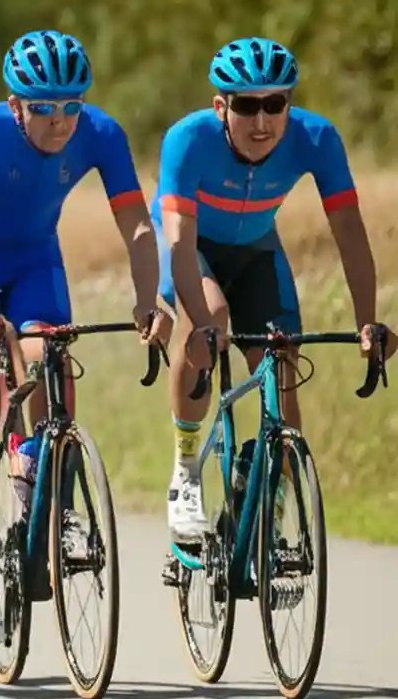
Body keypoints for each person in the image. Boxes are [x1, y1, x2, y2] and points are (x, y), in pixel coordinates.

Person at [0, 29, 168, 643]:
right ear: (16, 105)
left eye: (70, 107)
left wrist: (149, 299)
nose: (59, 123)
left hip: (36, 262)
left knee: (51, 355)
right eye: (44, 109)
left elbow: (138, 224)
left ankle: (43, 476)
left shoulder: (99, 132)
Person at [154, 36, 395, 544]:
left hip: (256, 249)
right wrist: (198, 321)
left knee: (284, 360)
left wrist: (367, 323)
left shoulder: (317, 138)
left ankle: (270, 507)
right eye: (246, 106)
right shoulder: (187, 139)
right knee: (212, 317)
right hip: (189, 245)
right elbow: (177, 245)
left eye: (274, 104)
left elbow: (349, 233)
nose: (262, 121)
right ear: (221, 106)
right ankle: (185, 474)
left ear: (289, 102)